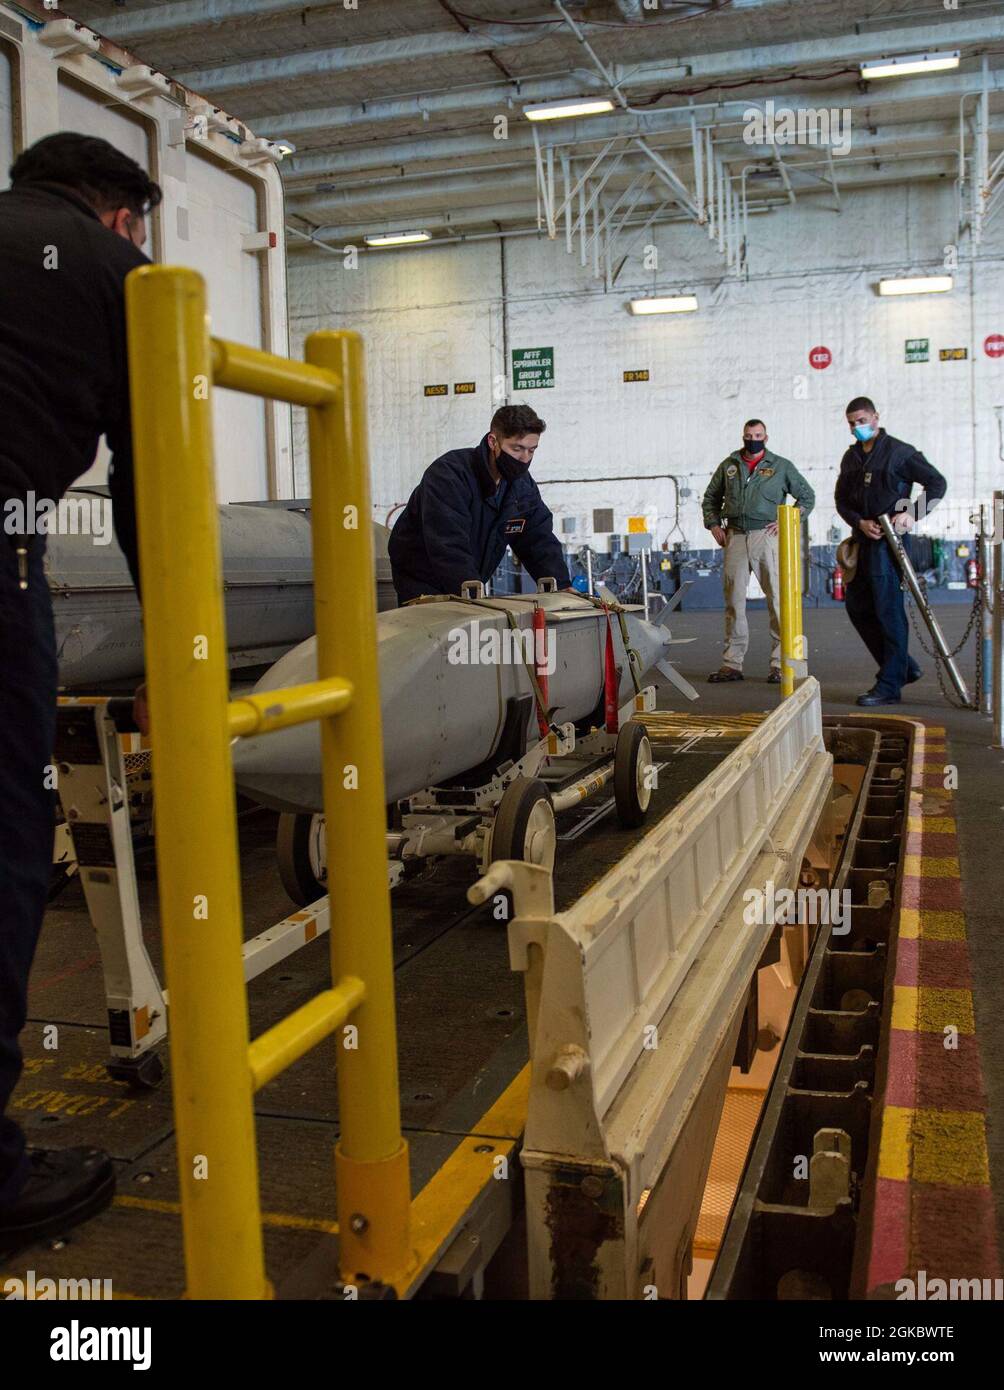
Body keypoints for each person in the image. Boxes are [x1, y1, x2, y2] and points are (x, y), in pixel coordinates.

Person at [0, 132, 160, 1248]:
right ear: (117, 215)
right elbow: (154, 471)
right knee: (5, 849)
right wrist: (174, 661)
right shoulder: (116, 276)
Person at [388, 404, 572, 604]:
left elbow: (538, 538)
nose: (524, 459)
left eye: (531, 451)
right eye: (517, 449)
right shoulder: (449, 475)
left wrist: (561, 586)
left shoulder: (521, 486)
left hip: (468, 586)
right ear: (493, 441)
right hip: (423, 587)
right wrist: (471, 593)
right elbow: (448, 544)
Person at [835, 396, 946, 706]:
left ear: (876, 417)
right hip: (862, 541)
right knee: (857, 607)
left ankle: (889, 685)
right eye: (852, 423)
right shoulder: (851, 458)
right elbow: (842, 500)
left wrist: (912, 512)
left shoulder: (900, 452)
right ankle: (903, 668)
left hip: (890, 545)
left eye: (862, 420)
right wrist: (859, 521)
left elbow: (937, 483)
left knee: (889, 612)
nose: (858, 427)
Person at [702, 419, 815, 683]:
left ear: (766, 437)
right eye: (749, 435)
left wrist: (789, 520)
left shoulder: (781, 467)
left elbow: (807, 497)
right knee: (734, 601)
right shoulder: (729, 466)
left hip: (767, 536)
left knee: (777, 599)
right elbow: (710, 498)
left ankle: (779, 663)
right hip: (735, 536)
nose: (753, 439)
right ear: (743, 436)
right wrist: (713, 523)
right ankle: (732, 664)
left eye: (758, 435)